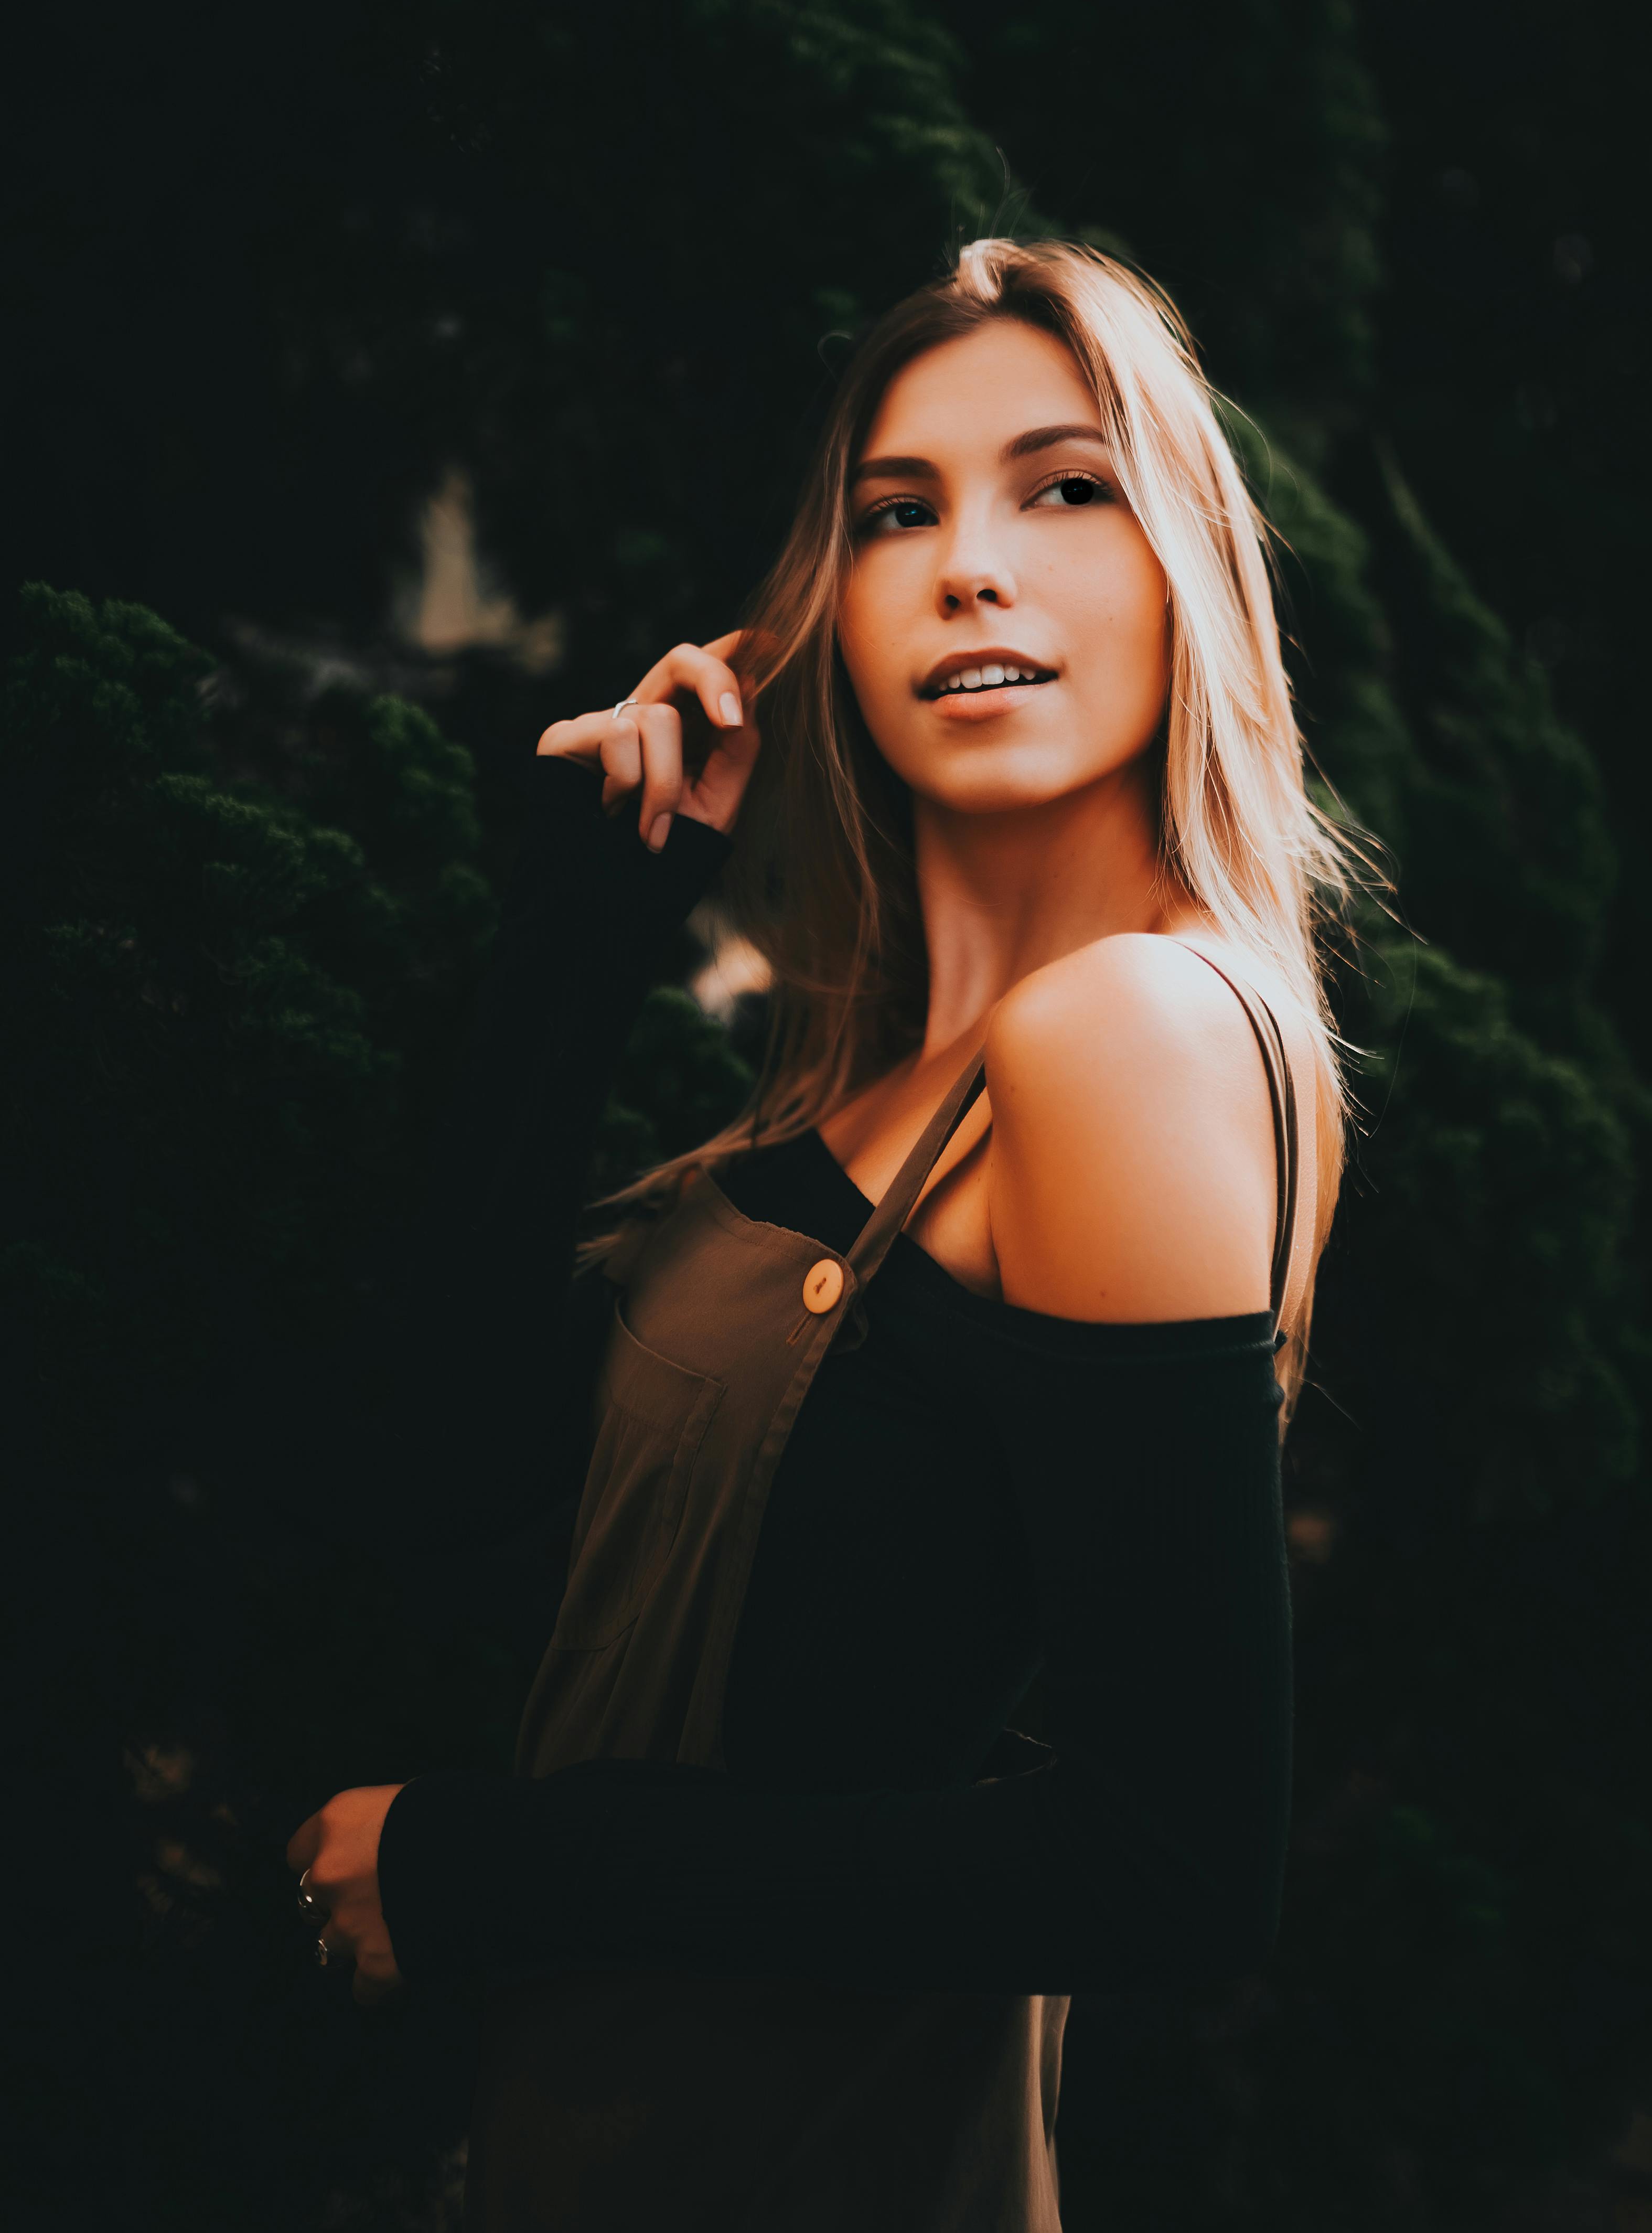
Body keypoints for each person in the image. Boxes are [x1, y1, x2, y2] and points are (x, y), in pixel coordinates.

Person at [286, 237, 1354, 2231]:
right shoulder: (865, 1074)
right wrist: (591, 927)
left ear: (1188, 569)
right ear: (830, 613)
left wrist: (489, 1872)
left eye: (1065, 487)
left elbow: (1174, 1872)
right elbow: (443, 1482)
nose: (970, 567)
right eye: (897, 513)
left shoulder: (1123, 1033)